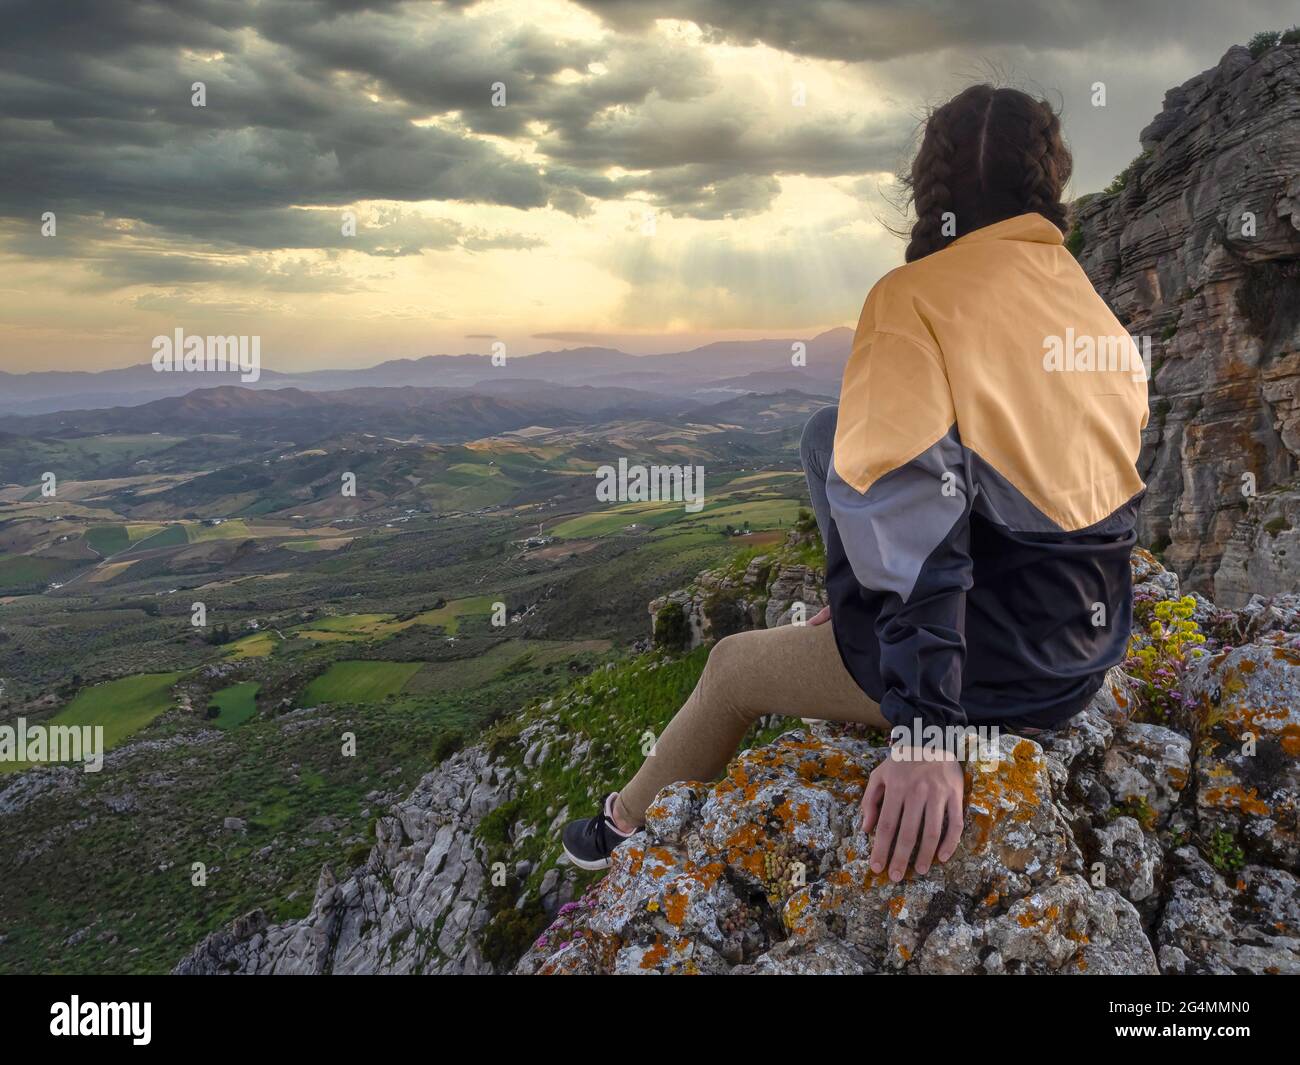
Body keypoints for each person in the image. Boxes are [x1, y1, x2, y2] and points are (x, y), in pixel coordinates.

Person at [561, 84, 1148, 883]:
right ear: (1047, 184)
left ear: (928, 189)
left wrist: (928, 736)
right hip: (1082, 643)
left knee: (733, 668)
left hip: (994, 667)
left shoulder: (912, 299)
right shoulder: (1087, 306)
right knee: (827, 434)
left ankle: (621, 825)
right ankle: (852, 605)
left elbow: (919, 522)